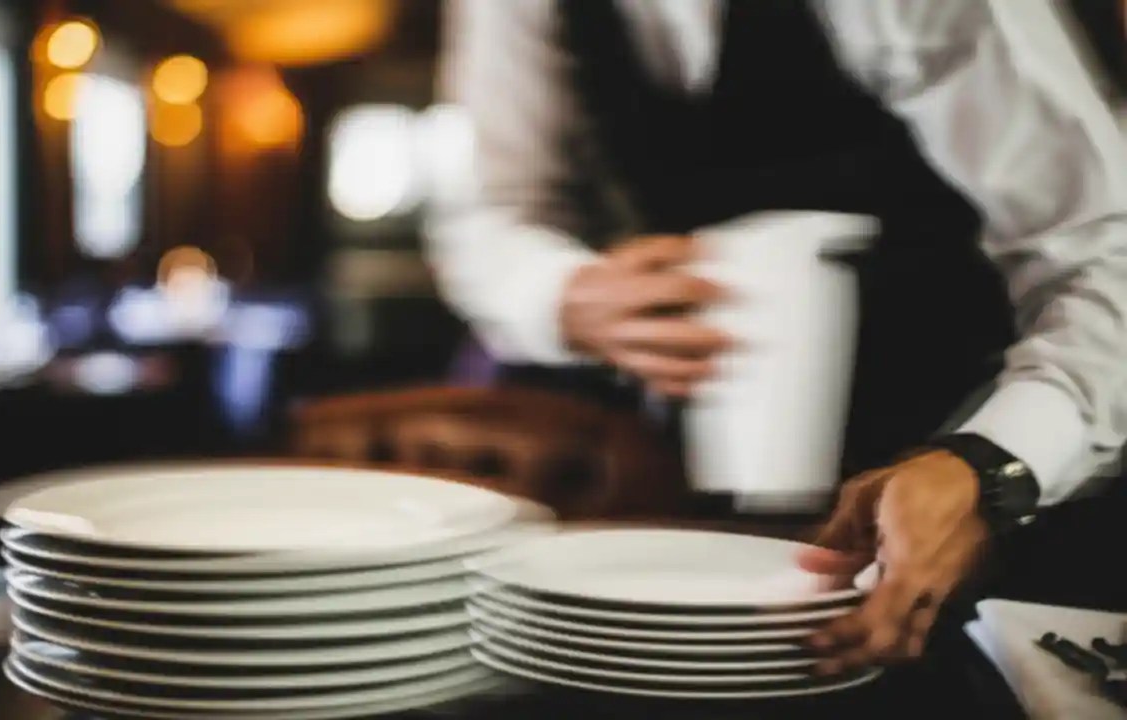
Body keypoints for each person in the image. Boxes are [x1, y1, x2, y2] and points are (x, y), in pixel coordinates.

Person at [427, 0, 1127, 675]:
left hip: (975, 473)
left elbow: (1104, 248)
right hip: (697, 486)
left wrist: (995, 464)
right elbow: (491, 211)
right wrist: (563, 295)